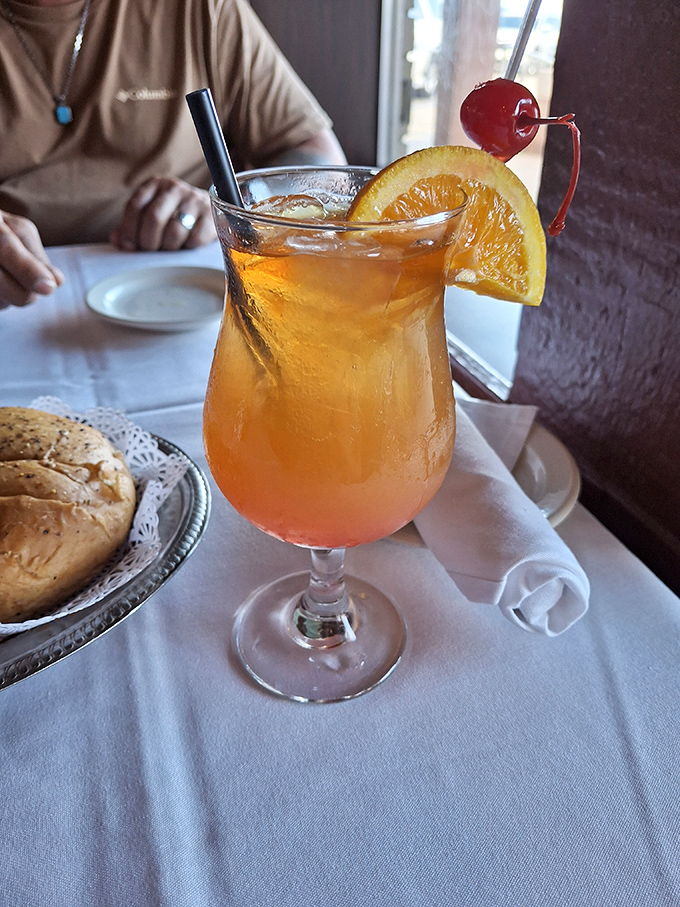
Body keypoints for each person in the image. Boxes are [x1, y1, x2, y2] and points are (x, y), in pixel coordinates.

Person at [0, 0, 346, 310]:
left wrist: (230, 206)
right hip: (16, 302)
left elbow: (323, 163)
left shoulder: (200, 9)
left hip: (185, 297)